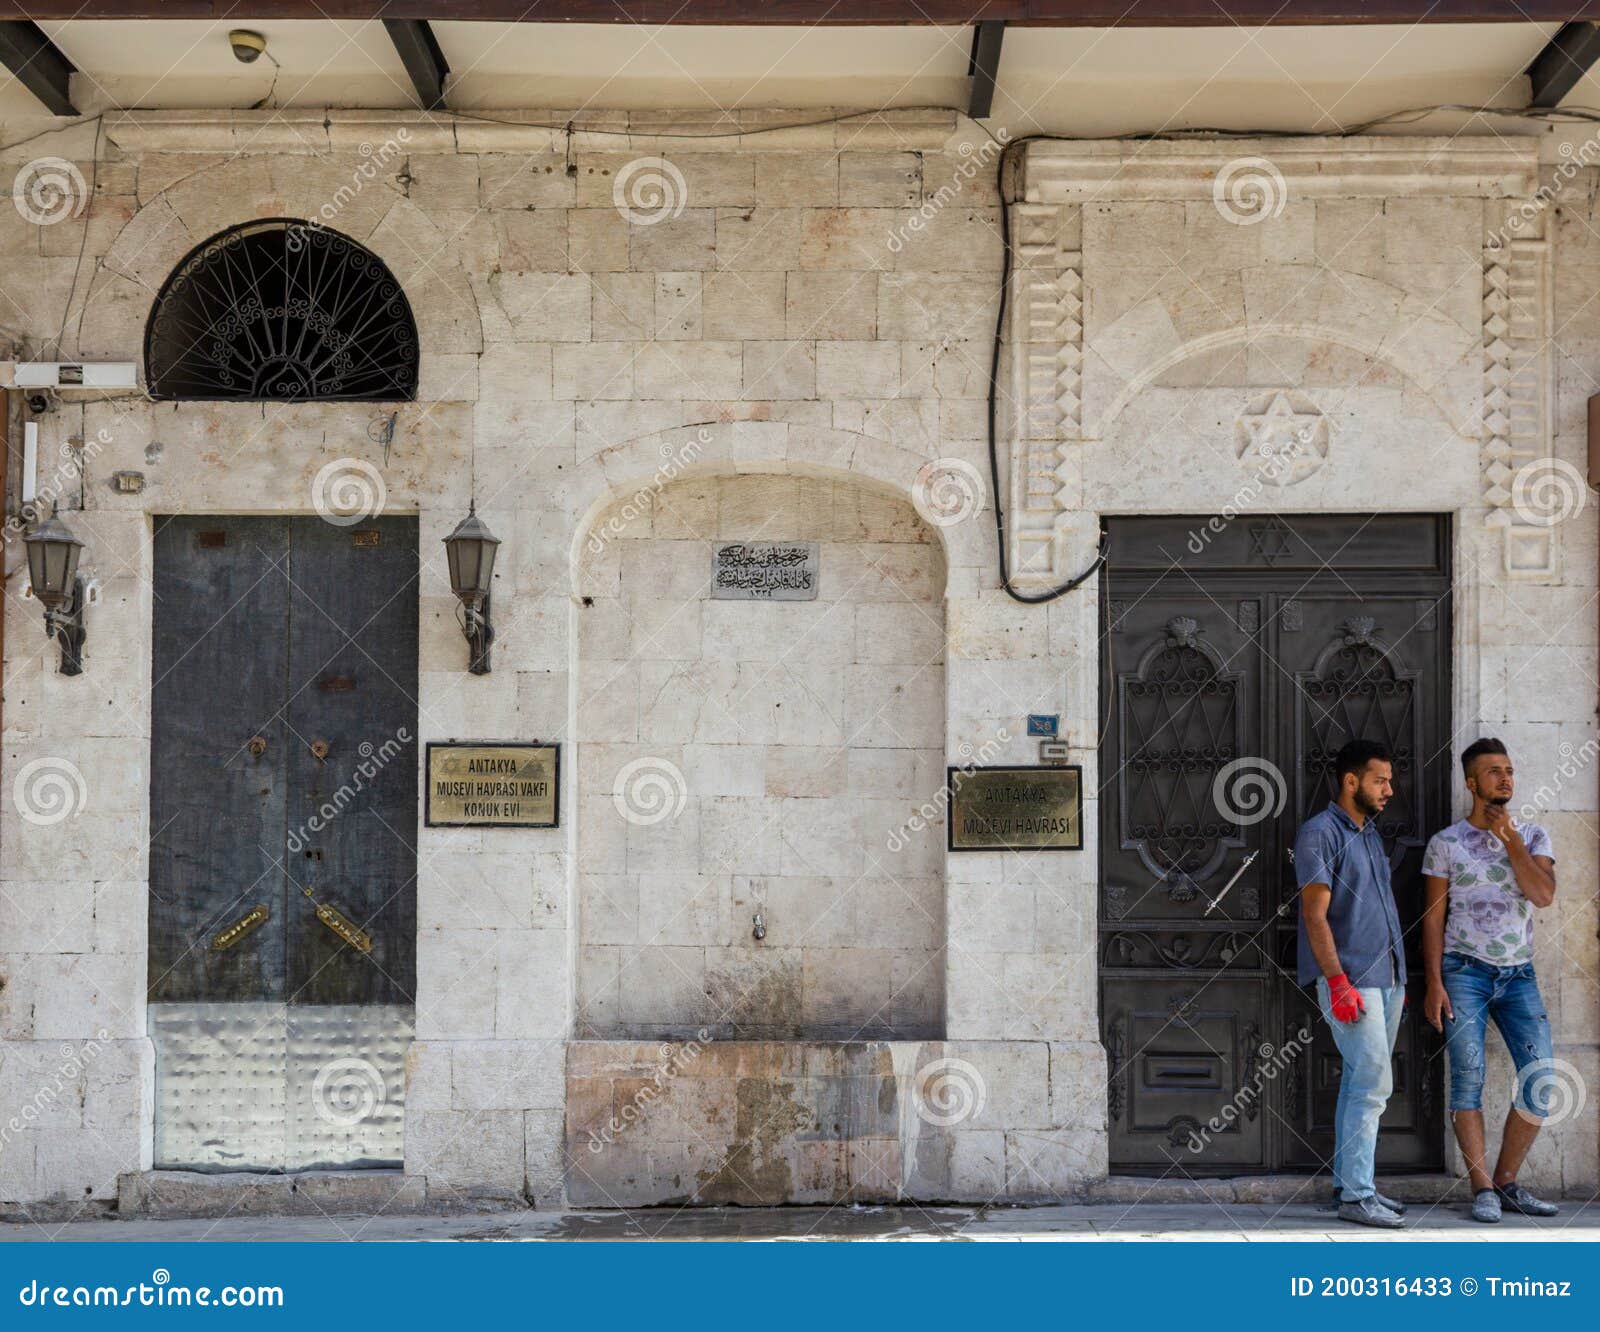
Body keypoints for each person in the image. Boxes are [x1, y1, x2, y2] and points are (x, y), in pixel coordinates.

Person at [1421, 737, 1560, 1224]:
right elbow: (1433, 920)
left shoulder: (1534, 836)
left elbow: (1542, 896)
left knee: (1541, 1079)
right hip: (1464, 974)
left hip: (1519, 975)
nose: (1505, 778)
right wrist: (1434, 982)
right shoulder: (1445, 844)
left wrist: (1511, 841)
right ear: (1471, 782)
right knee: (1468, 1080)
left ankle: (1506, 1182)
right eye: (1493, 771)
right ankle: (1481, 1188)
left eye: (1509, 770)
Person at [1295, 738, 1409, 1228]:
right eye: (1380, 780)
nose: (1390, 789)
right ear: (1351, 781)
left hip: (1388, 977)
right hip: (1352, 980)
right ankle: (1359, 1196)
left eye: (1389, 781)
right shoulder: (1319, 834)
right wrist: (1337, 981)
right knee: (1373, 1085)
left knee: (1360, 1085)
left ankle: (1349, 1186)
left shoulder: (1369, 835)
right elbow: (1314, 916)